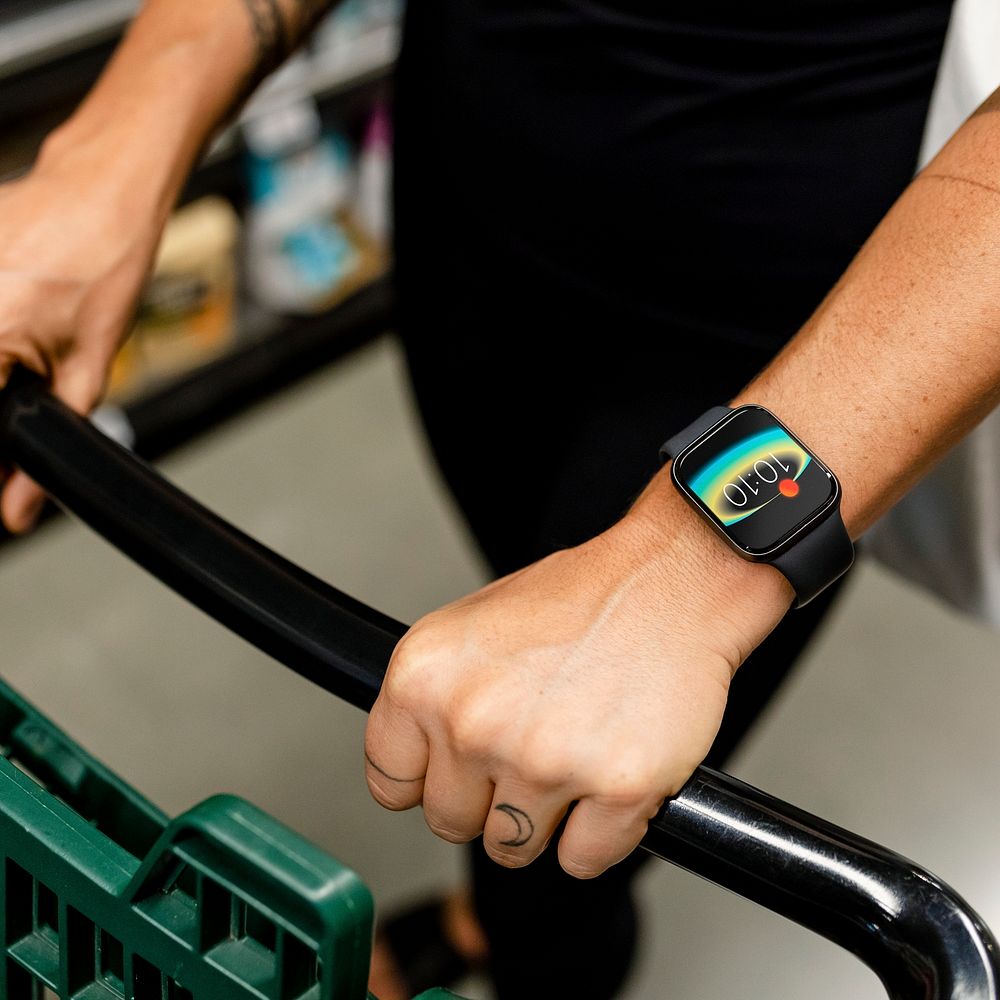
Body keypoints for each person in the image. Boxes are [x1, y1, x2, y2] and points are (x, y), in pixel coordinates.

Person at [1, 1, 997, 998]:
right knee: (519, 589)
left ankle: (533, 936)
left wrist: (693, 562)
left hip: (782, 299)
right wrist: (113, 146)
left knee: (563, 821)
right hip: (473, 198)